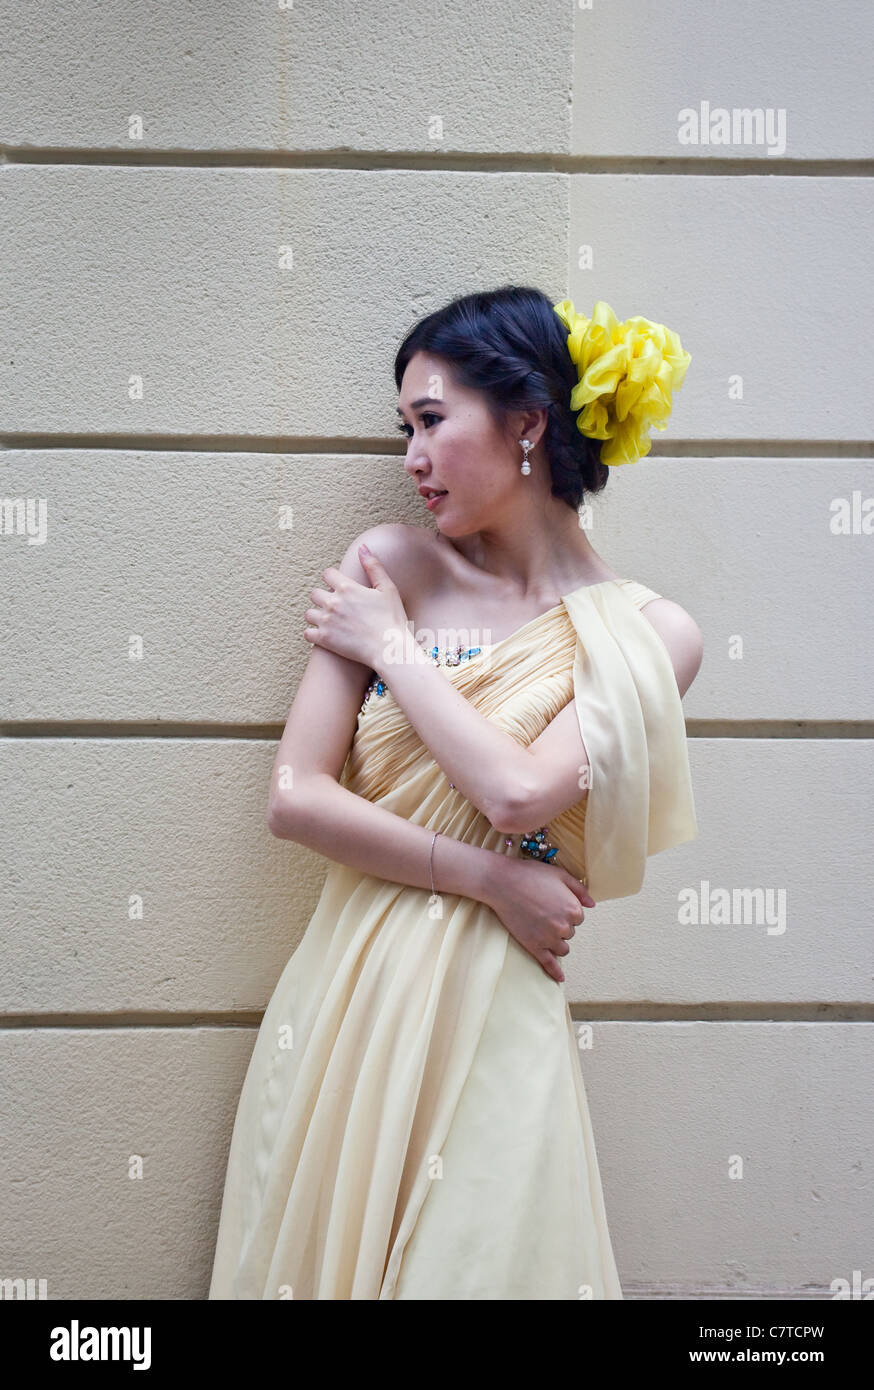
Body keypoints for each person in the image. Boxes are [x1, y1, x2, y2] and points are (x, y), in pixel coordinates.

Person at [208, 285, 701, 1300]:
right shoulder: (391, 563)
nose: (411, 458)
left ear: (526, 422)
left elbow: (519, 792)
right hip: (354, 988)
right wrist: (487, 878)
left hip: (494, 1003)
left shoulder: (653, 635)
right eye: (405, 428)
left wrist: (392, 648)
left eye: (432, 420)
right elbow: (296, 796)